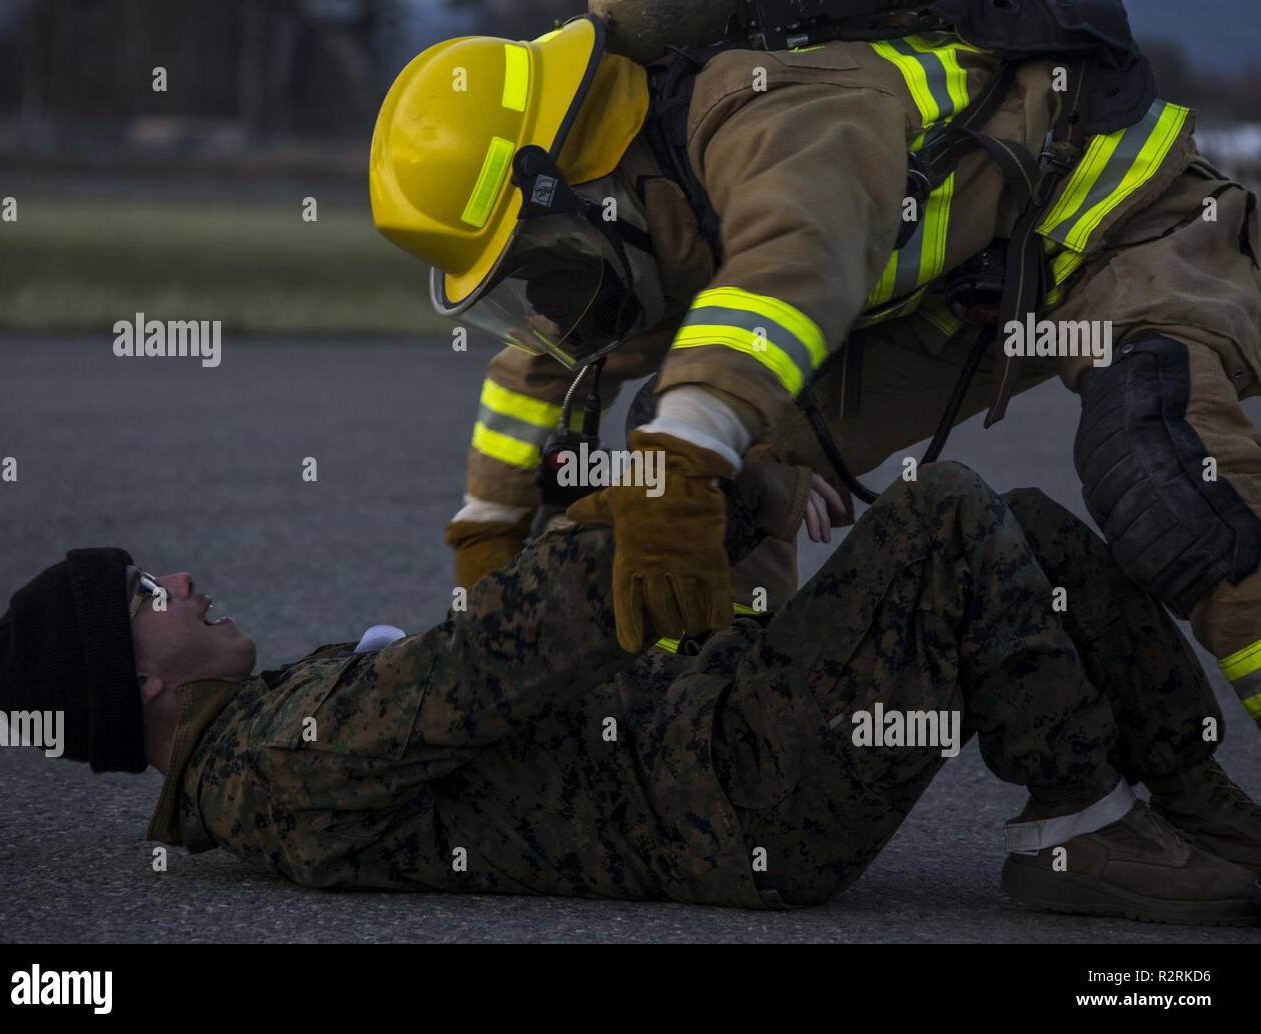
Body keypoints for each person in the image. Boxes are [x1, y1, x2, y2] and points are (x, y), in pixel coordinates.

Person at [368, 4, 1261, 731]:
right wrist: (487, 530)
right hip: (957, 295)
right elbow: (540, 372)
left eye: (538, 258)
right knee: (733, 476)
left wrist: (685, 451)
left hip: (1125, 222)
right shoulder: (647, 193)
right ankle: (708, 718)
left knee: (1165, 471)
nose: (550, 293)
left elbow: (798, 255)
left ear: (565, 180)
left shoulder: (762, 106)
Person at [0, 461, 1261, 921]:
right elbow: (487, 663)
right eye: (148, 588)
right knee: (941, 515)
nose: (184, 577)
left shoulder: (270, 730)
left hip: (717, 734)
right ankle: (1076, 822)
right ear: (134, 676)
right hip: (737, 798)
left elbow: (499, 670)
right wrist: (658, 503)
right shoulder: (269, 762)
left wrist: (720, 510)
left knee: (1016, 515)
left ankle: (1199, 800)